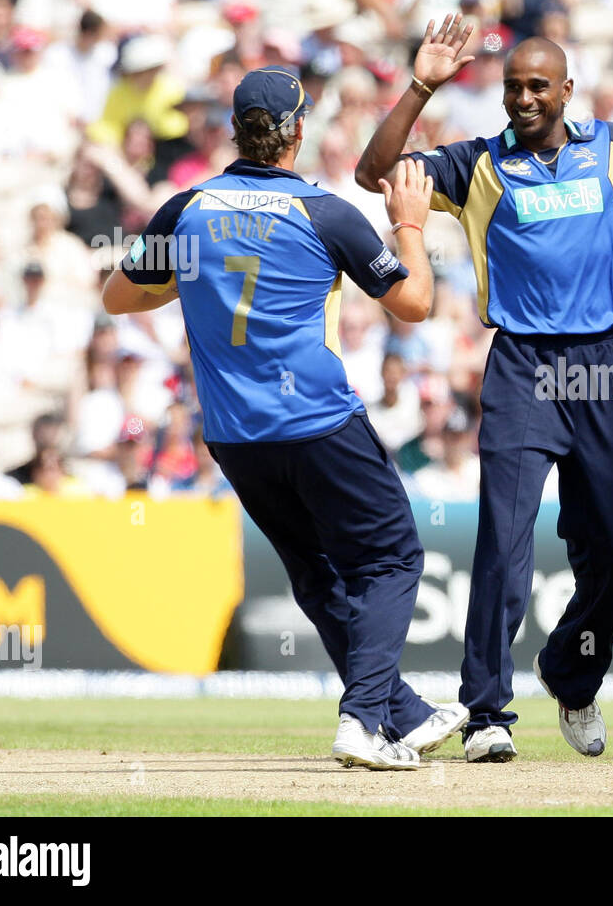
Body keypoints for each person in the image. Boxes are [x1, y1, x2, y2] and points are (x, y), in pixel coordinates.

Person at [355, 15, 613, 762]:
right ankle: (487, 710)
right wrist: (423, 82)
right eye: (512, 87)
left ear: (566, 89)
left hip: (607, 365)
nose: (523, 99)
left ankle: (570, 673)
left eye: (536, 86)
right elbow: (376, 172)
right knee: (503, 541)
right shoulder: (476, 164)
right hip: (524, 365)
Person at [101, 67, 469, 771]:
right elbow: (415, 303)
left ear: (236, 130)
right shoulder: (322, 211)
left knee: (318, 573)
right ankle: (363, 719)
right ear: (298, 130)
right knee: (392, 557)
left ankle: (402, 712)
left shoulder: (187, 207)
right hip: (317, 421)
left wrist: (202, 276)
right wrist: (411, 225)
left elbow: (122, 296)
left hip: (236, 434)